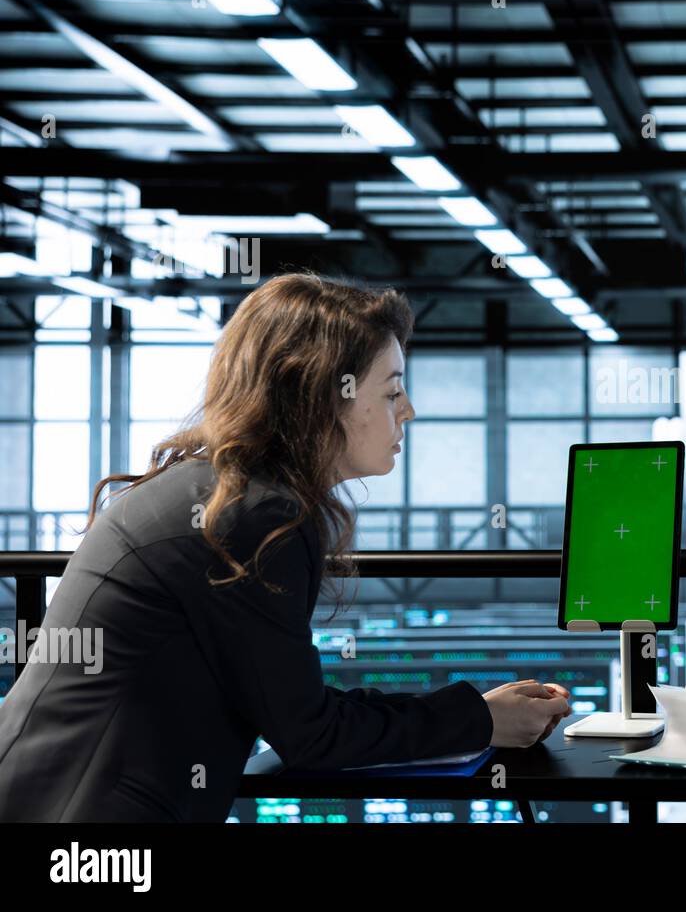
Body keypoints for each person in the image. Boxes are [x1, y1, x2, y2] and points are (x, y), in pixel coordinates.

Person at [0, 273, 571, 821]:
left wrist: (476, 712)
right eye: (392, 390)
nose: (409, 411)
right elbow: (312, 735)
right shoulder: (251, 517)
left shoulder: (225, 495)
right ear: (324, 396)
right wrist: (480, 722)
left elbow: (296, 703)